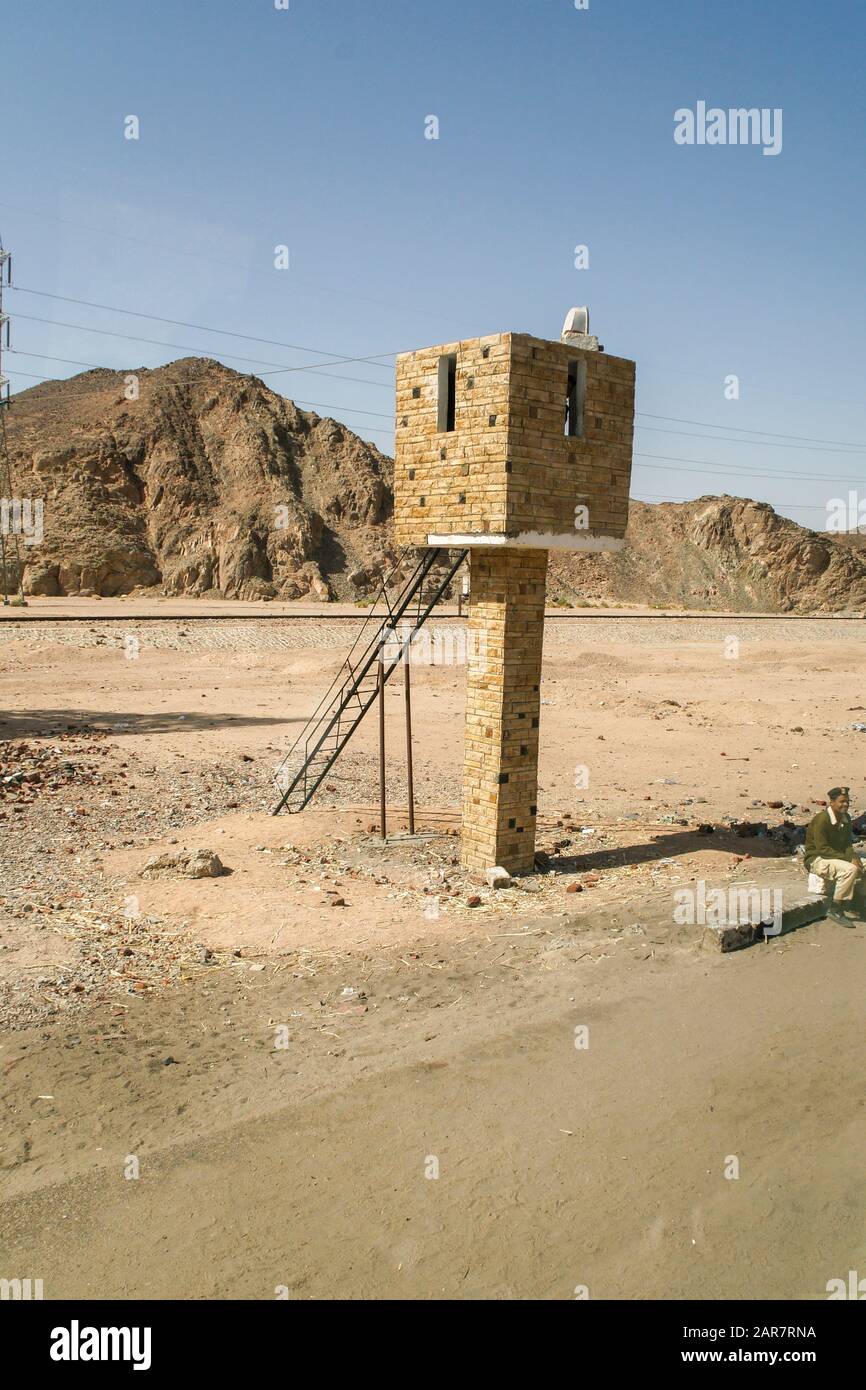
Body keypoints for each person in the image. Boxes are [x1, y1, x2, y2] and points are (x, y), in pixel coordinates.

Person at [804, 787, 863, 925]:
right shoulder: (822, 819)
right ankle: (836, 908)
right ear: (831, 803)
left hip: (836, 857)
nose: (846, 805)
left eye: (847, 801)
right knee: (850, 870)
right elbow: (822, 849)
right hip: (817, 859)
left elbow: (848, 844)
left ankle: (859, 903)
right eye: (842, 802)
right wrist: (849, 859)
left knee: (862, 866)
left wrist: (854, 857)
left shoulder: (846, 818)